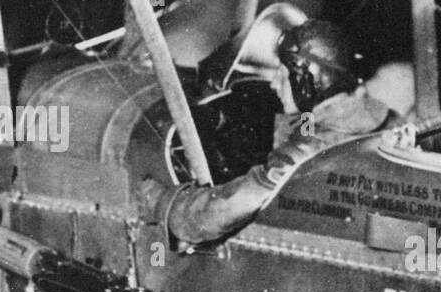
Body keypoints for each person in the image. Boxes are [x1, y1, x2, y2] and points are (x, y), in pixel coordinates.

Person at [142, 20, 401, 243]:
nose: (275, 84)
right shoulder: (389, 123)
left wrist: (165, 203)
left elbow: (228, 209)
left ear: (306, 80)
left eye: (282, 74)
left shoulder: (308, 154)